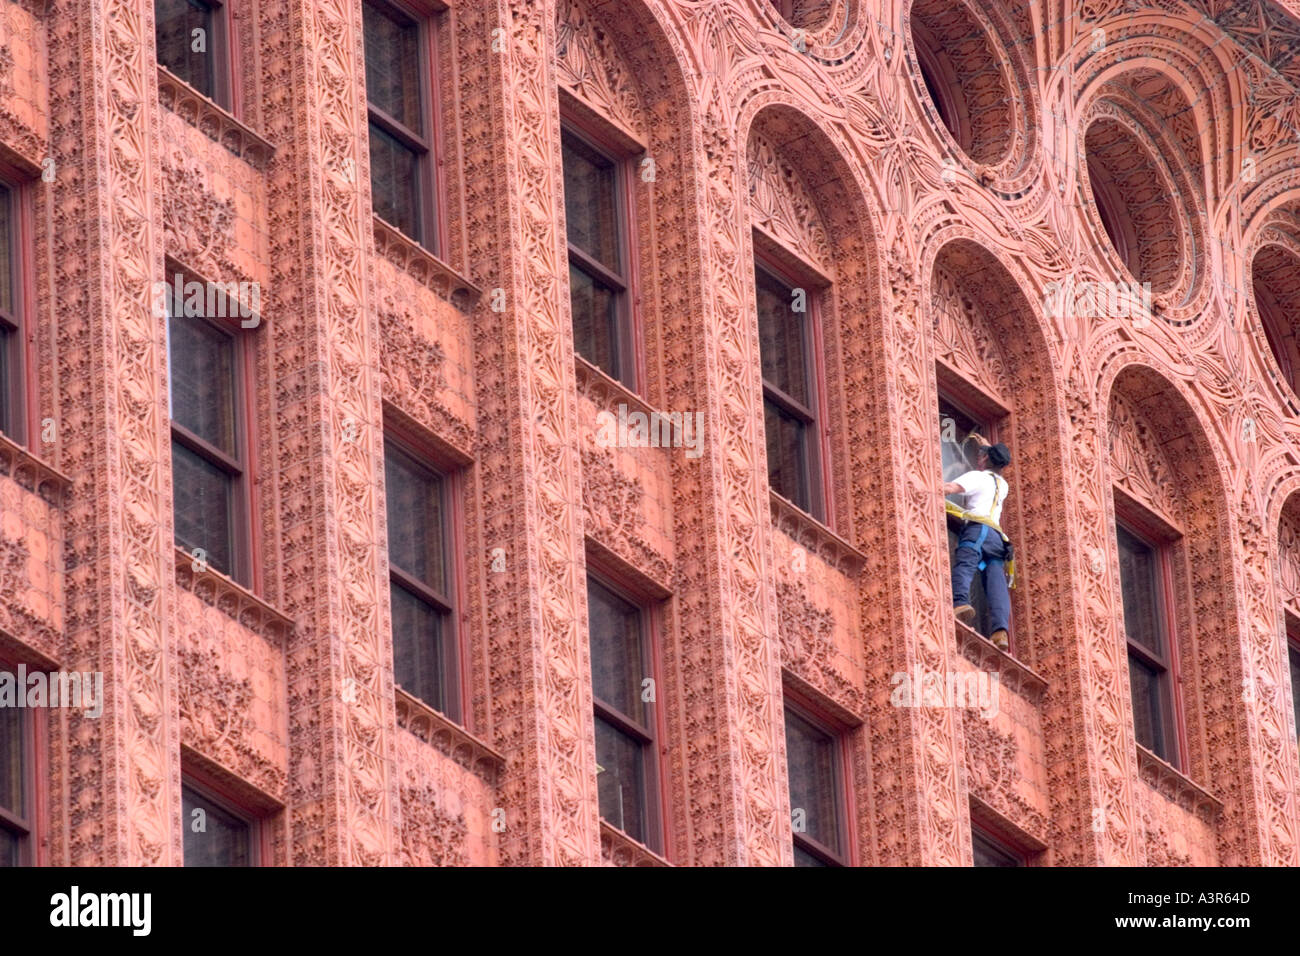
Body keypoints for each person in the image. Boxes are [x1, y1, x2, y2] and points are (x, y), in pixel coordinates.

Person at [942, 434, 1013, 651]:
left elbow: (950, 489)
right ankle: (1000, 630)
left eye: (981, 456)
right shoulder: (1003, 485)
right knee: (996, 581)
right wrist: (988, 447)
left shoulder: (978, 477)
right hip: (997, 539)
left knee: (966, 561)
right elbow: (997, 459)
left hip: (978, 530)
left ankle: (960, 601)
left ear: (984, 460)